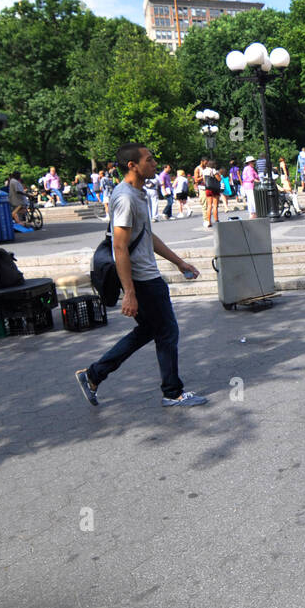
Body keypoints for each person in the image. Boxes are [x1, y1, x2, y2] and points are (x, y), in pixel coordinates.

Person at [76, 143, 207, 409]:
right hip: (143, 281)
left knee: (150, 330)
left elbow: (146, 236)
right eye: (149, 159)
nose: (155, 163)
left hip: (145, 278)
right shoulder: (125, 198)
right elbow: (120, 247)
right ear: (132, 165)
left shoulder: (138, 194)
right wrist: (130, 292)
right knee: (167, 332)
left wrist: (179, 262)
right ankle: (173, 392)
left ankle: (94, 374)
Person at [200, 159, 222, 229]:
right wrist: (219, 175)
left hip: (208, 189)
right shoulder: (213, 170)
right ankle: (216, 220)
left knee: (209, 206)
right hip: (214, 189)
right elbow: (219, 179)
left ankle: (209, 221)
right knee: (215, 206)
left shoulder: (204, 171)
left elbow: (204, 180)